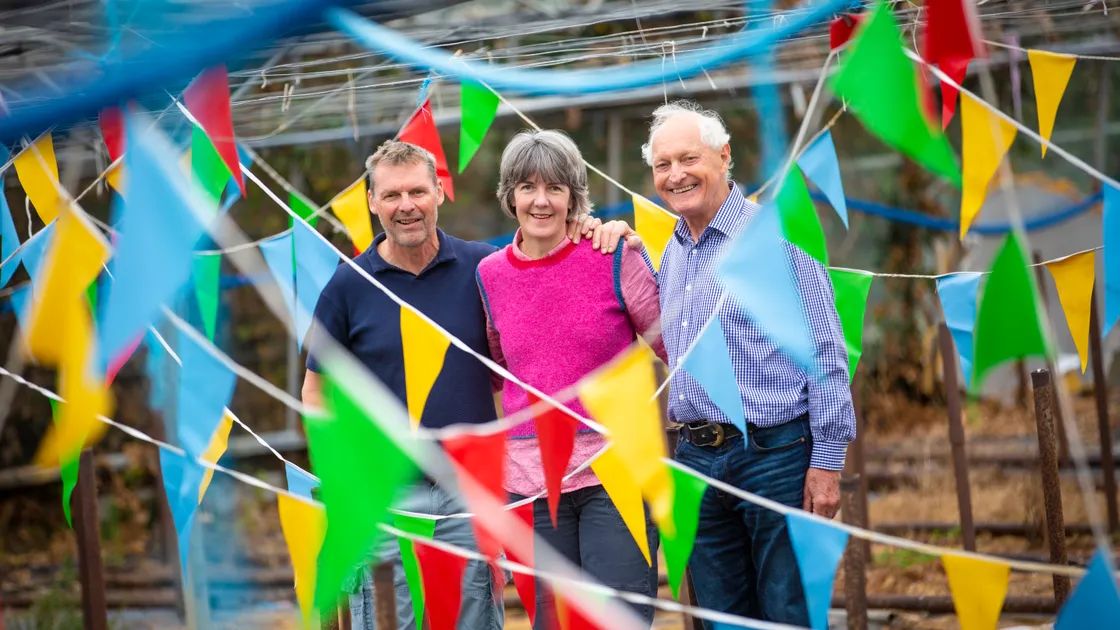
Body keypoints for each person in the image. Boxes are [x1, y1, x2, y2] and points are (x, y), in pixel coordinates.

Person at [302, 140, 637, 630]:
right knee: (390, 619)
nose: (406, 206)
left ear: (440, 192)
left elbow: (542, 277)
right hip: (383, 495)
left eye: (418, 191)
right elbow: (316, 393)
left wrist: (594, 228)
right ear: (372, 201)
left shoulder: (485, 270)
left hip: (471, 492)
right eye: (391, 195)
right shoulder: (348, 286)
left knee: (474, 618)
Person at [642, 100, 856, 626]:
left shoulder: (777, 235)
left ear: (724, 155)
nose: (676, 175)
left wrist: (827, 463)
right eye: (663, 165)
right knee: (721, 618)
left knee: (788, 613)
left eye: (688, 158)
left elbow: (826, 353)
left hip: (776, 453)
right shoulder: (672, 250)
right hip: (698, 457)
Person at [475, 129, 664, 630]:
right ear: (509, 195)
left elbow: (672, 342)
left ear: (573, 197)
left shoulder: (614, 255)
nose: (541, 200)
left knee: (617, 619)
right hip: (531, 489)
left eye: (555, 188)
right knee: (552, 623)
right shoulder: (490, 275)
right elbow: (501, 366)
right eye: (528, 187)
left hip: (615, 475)